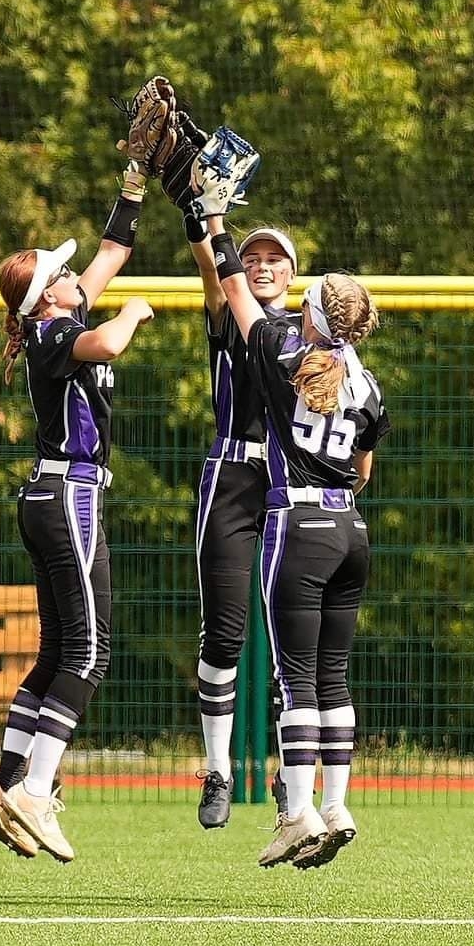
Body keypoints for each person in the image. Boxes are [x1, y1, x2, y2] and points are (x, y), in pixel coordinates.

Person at [188, 216, 389, 870]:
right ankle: (337, 805)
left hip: (298, 524)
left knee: (294, 677)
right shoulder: (367, 384)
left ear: (311, 311)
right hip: (351, 530)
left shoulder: (283, 352)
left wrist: (211, 217)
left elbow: (234, 287)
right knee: (335, 676)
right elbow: (363, 467)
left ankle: (295, 813)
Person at [0, 160, 155, 864]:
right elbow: (108, 341)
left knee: (56, 652)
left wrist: (134, 185)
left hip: (55, 495)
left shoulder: (59, 316)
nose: (71, 276)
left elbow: (113, 250)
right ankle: (35, 792)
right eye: (57, 274)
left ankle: (5, 781)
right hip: (70, 493)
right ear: (41, 300)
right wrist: (134, 311)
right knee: (89, 651)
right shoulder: (53, 335)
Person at [181, 220, 300, 828]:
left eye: (274, 257)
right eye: (251, 256)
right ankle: (219, 769)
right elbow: (210, 265)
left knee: (290, 640)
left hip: (288, 481)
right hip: (229, 475)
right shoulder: (230, 313)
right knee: (224, 632)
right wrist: (204, 210)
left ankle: (290, 773)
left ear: (292, 272)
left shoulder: (307, 332)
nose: (261, 264)